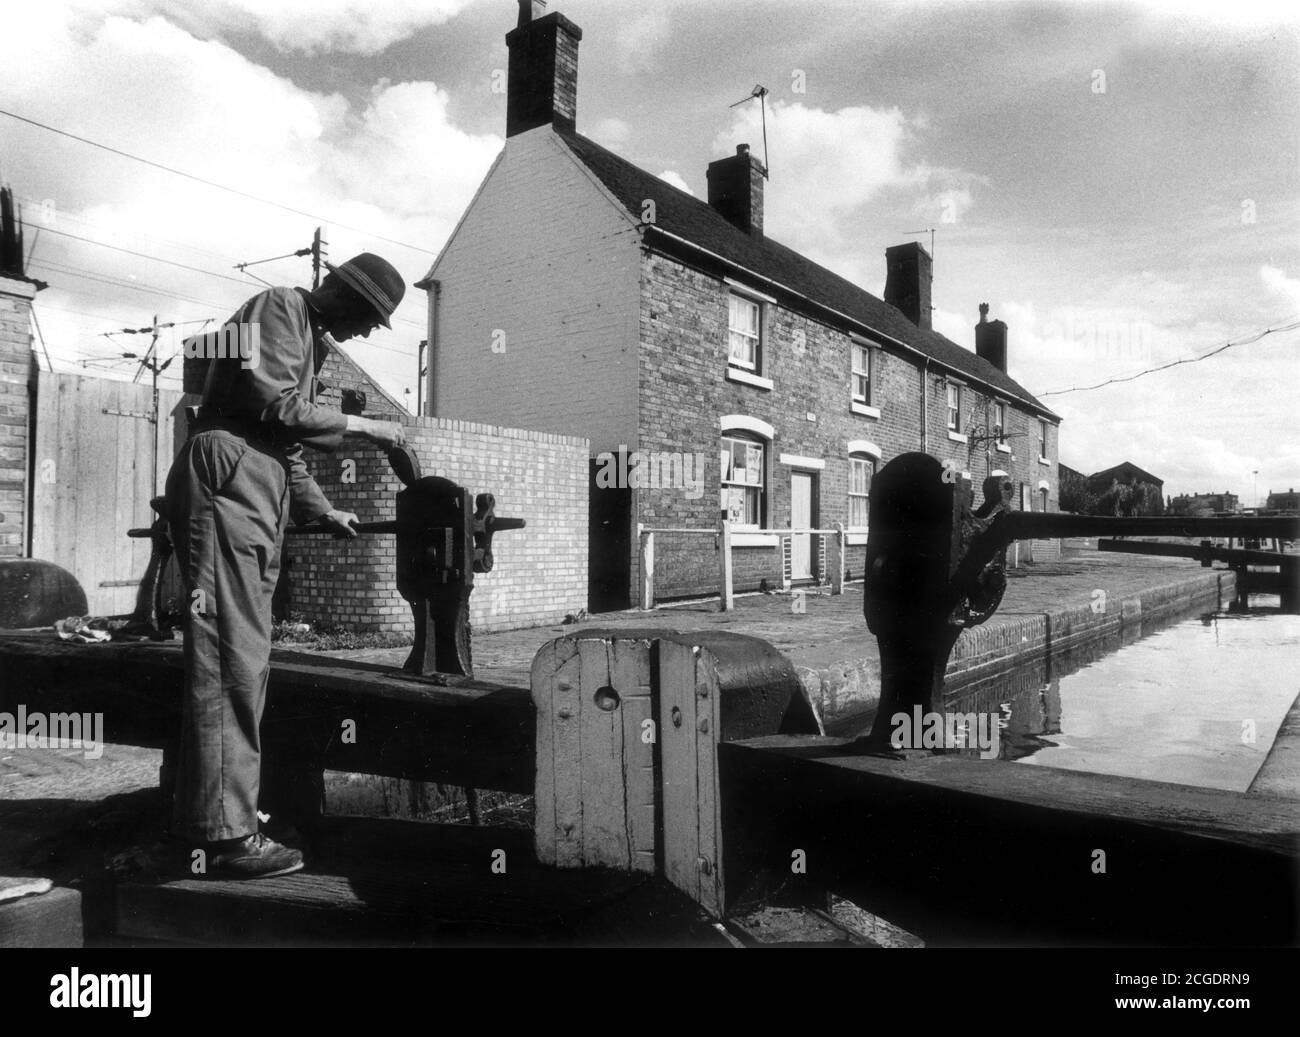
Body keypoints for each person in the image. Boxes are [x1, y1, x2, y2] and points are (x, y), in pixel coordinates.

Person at [164, 253, 408, 878]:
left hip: (259, 484)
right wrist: (367, 428)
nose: (362, 332)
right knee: (229, 659)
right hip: (231, 474)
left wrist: (325, 510)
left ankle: (220, 817)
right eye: (366, 317)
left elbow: (288, 446)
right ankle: (223, 839)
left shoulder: (310, 342)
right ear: (340, 291)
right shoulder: (279, 307)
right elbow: (273, 410)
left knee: (244, 657)